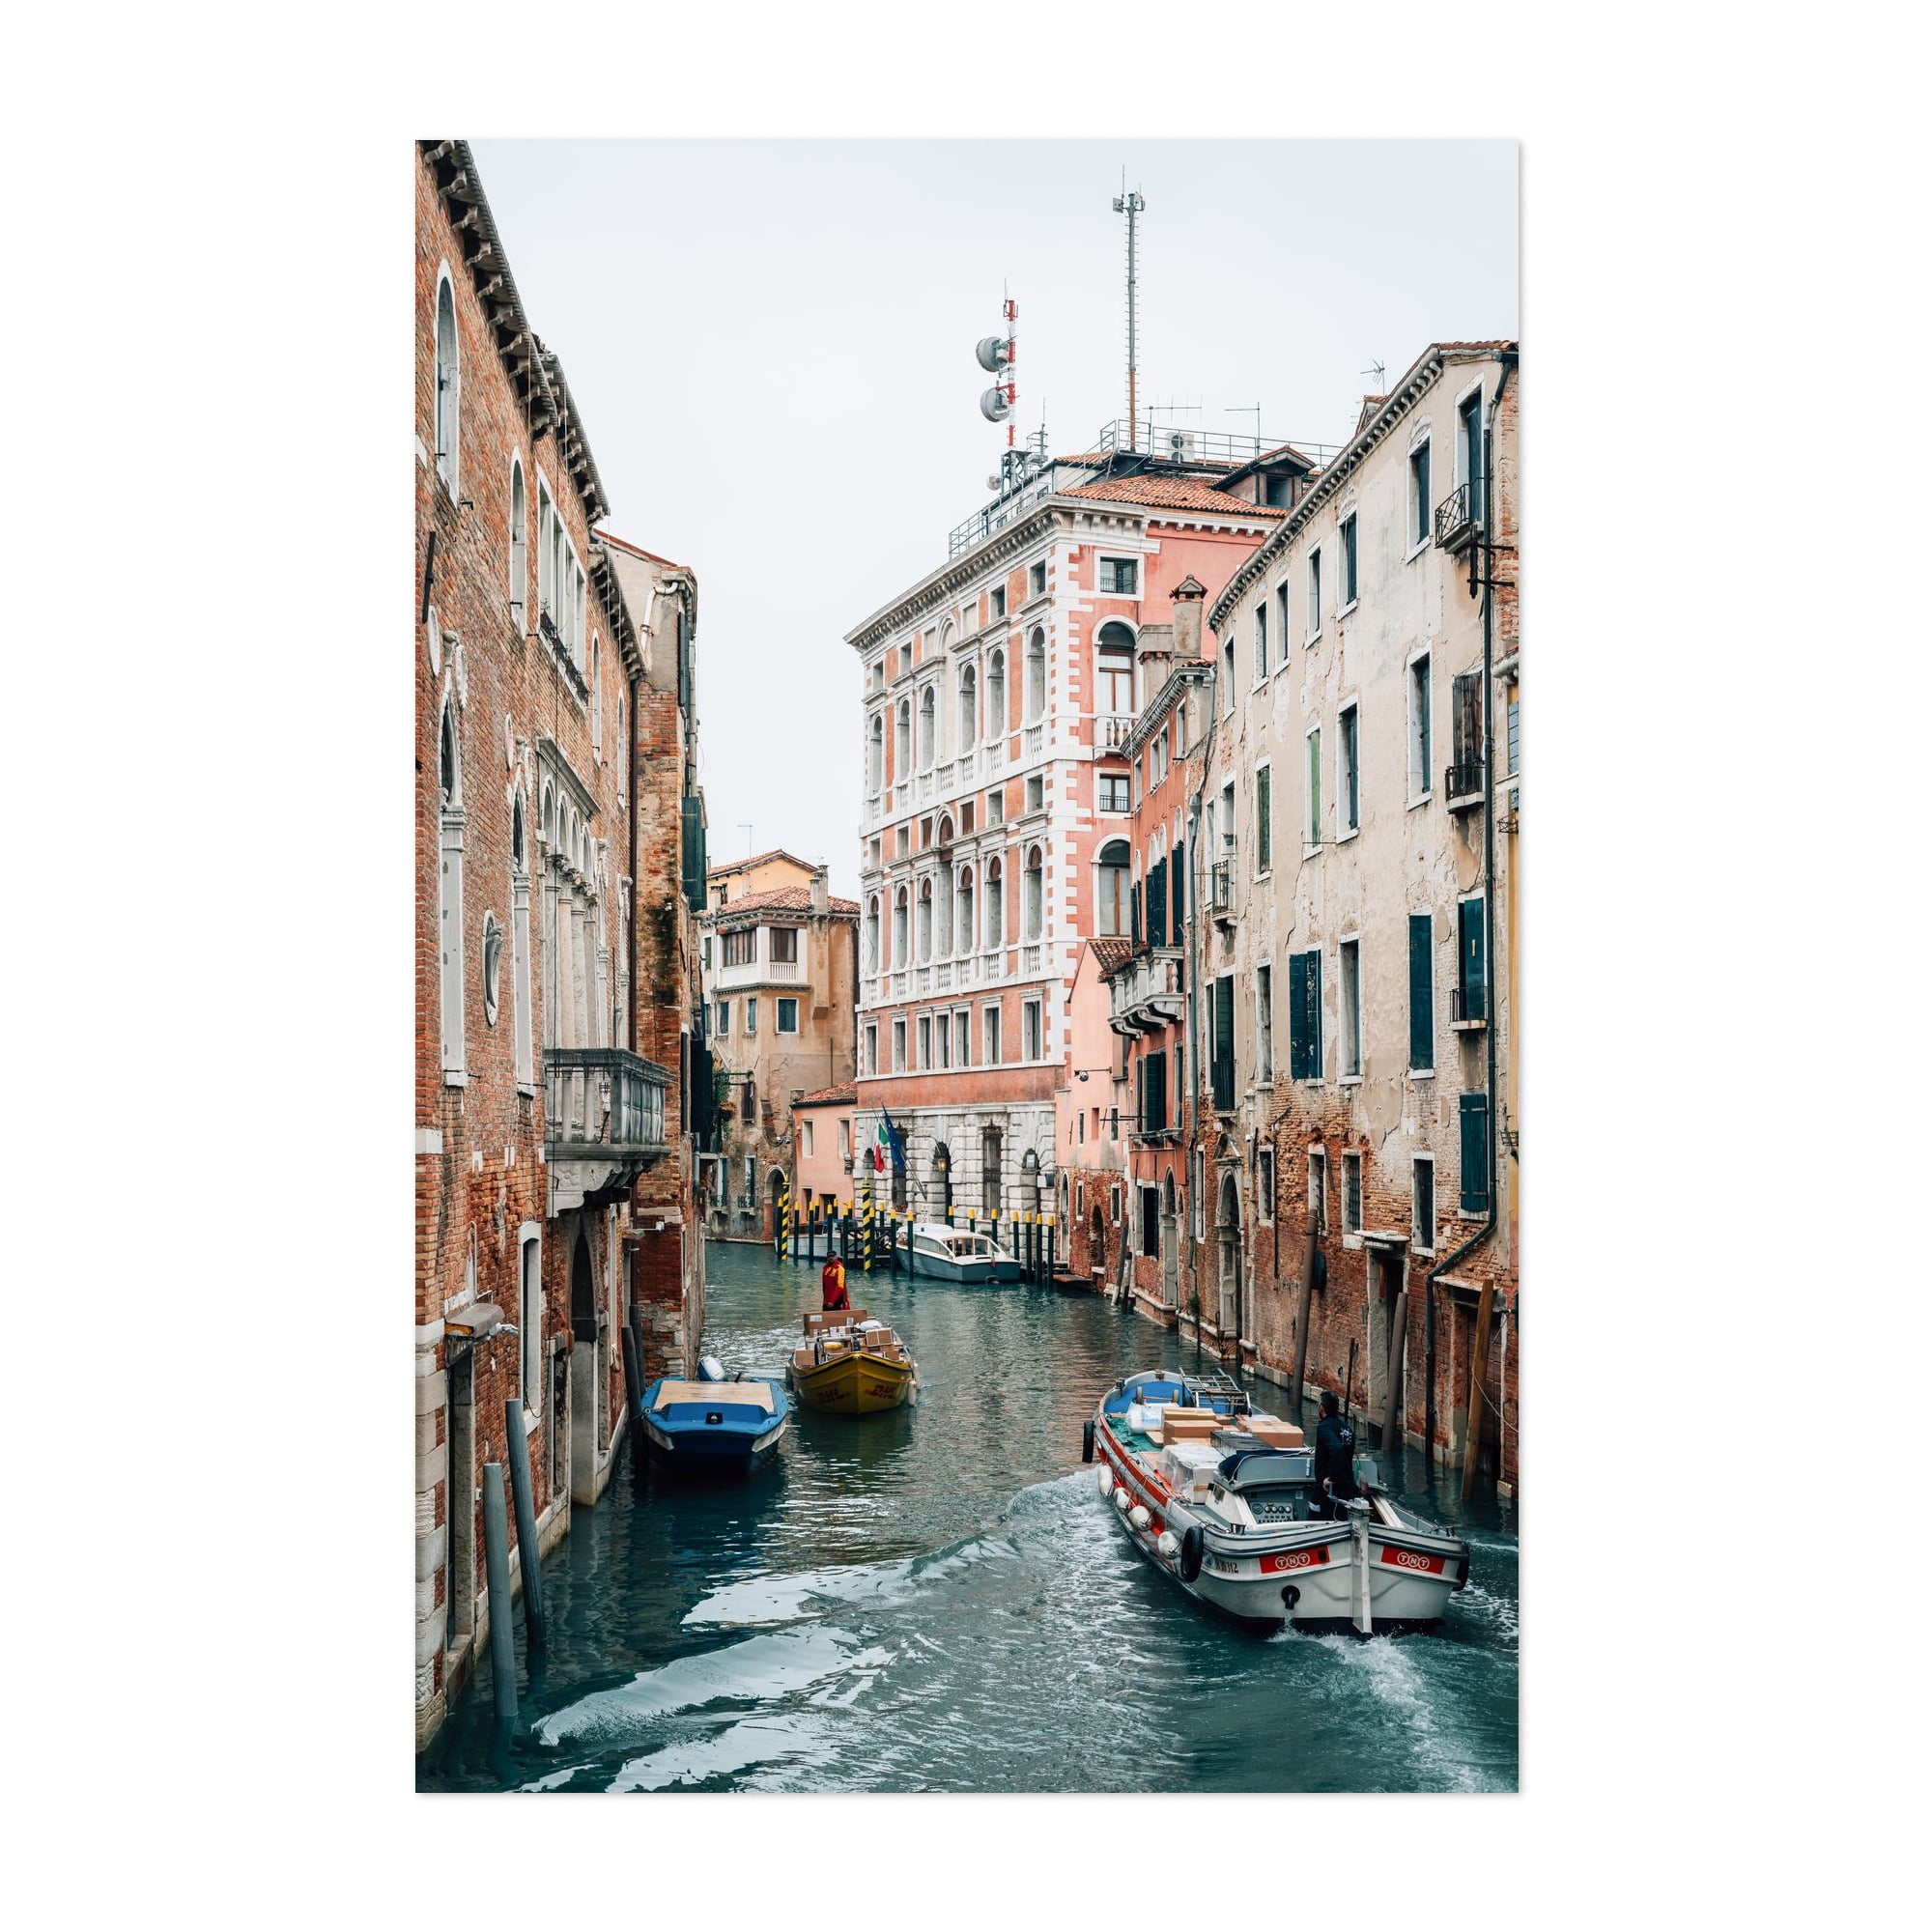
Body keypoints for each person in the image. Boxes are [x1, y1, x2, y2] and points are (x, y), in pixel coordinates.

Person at [1313, 1388, 1358, 1518]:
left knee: (1315, 1522)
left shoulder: (1323, 1427)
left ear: (1322, 1408)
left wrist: (1331, 1478)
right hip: (1347, 1488)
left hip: (1328, 1490)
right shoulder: (1347, 1429)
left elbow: (1337, 1449)